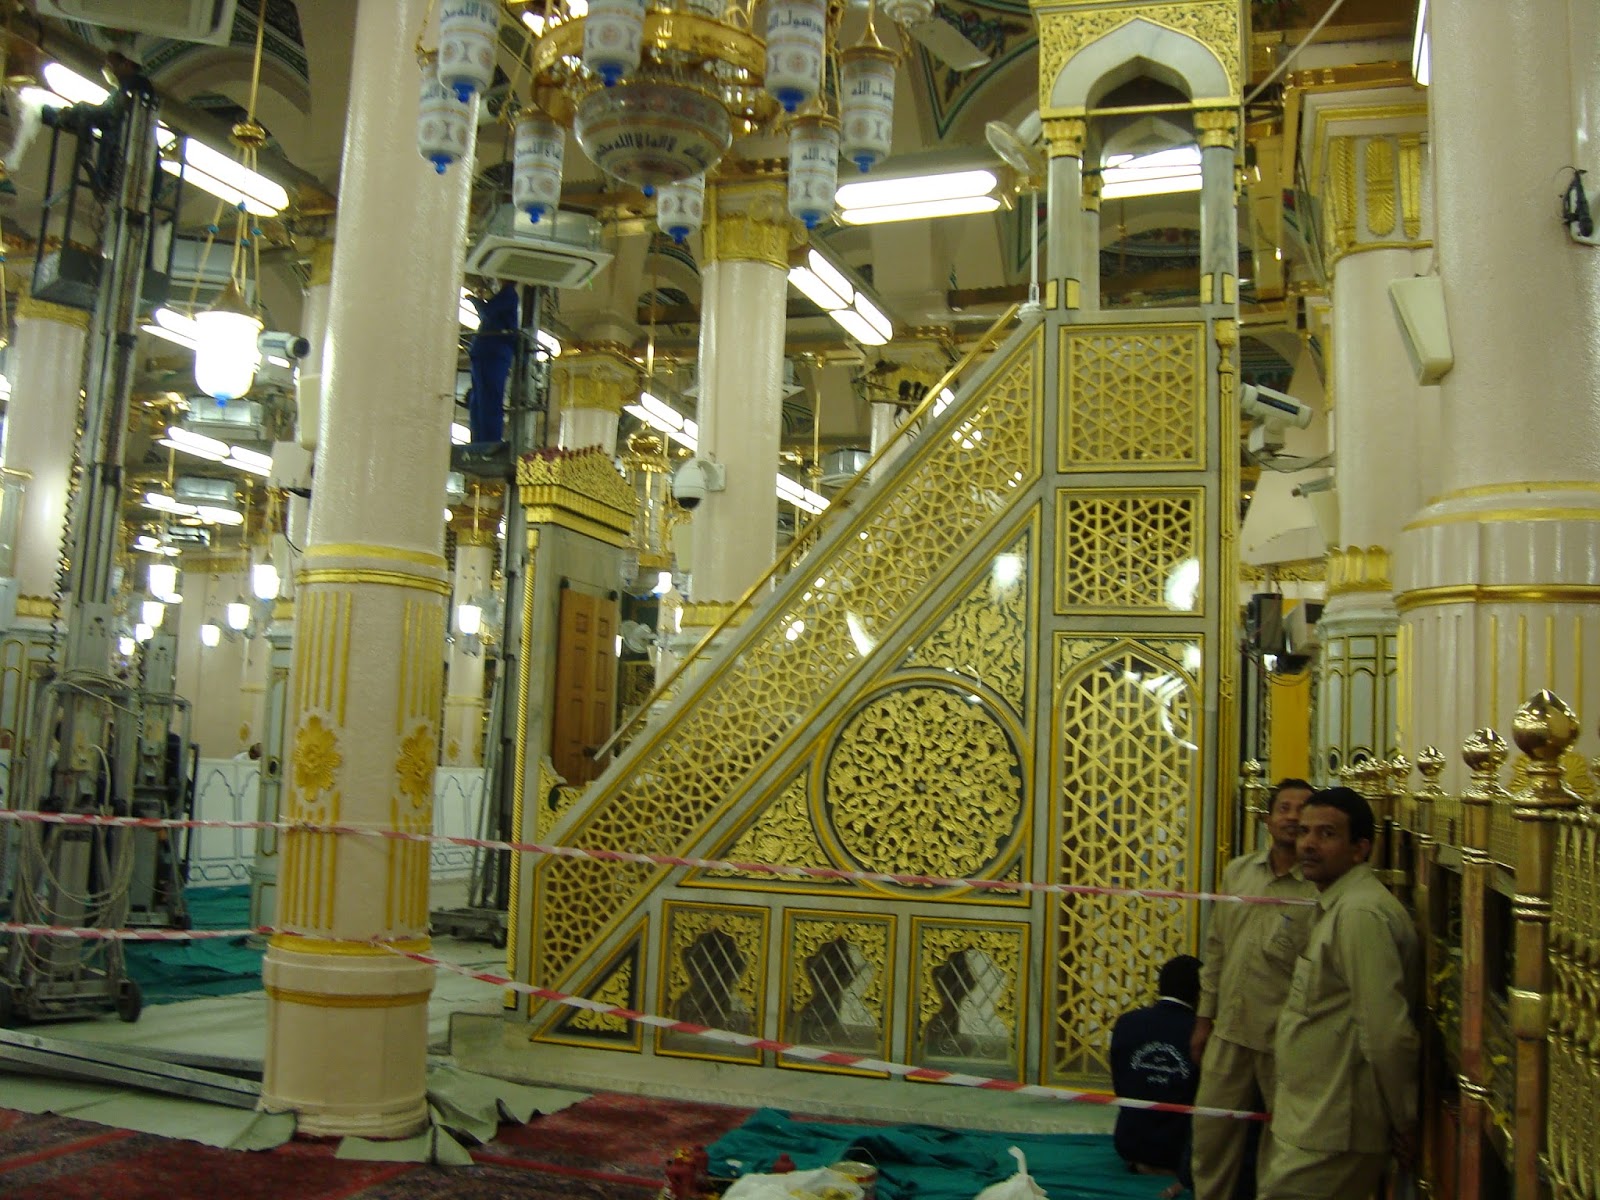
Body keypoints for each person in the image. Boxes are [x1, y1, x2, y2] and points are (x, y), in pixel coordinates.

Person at [1256, 787, 1420, 1200]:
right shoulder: (1337, 904)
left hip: (1334, 1130)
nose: (1308, 843)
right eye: (1306, 832)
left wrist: (1404, 1118)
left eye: (1326, 834)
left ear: (1359, 849)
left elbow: (1386, 1033)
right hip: (1314, 1120)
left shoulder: (1360, 914)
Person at [1190, 778, 1317, 1199]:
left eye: (1303, 809)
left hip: (1284, 1040)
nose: (1293, 817)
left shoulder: (1318, 888)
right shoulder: (1239, 872)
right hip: (1229, 1029)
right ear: (1268, 818)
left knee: (1281, 1150)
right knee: (1211, 1137)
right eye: (1284, 807)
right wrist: (1204, 1017)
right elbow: (1217, 947)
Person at [1111, 954, 1203, 1196]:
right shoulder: (1200, 1034)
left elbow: (1120, 1086)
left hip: (1131, 1145)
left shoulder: (1127, 1023)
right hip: (1178, 1152)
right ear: (1199, 993)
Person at [466, 278, 519, 445]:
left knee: (489, 399)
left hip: (493, 353)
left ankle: (489, 441)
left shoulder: (509, 295)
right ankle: (478, 440)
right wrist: (479, 301)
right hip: (485, 352)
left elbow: (487, 311)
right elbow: (487, 314)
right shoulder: (503, 298)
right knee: (478, 400)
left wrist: (475, 300)